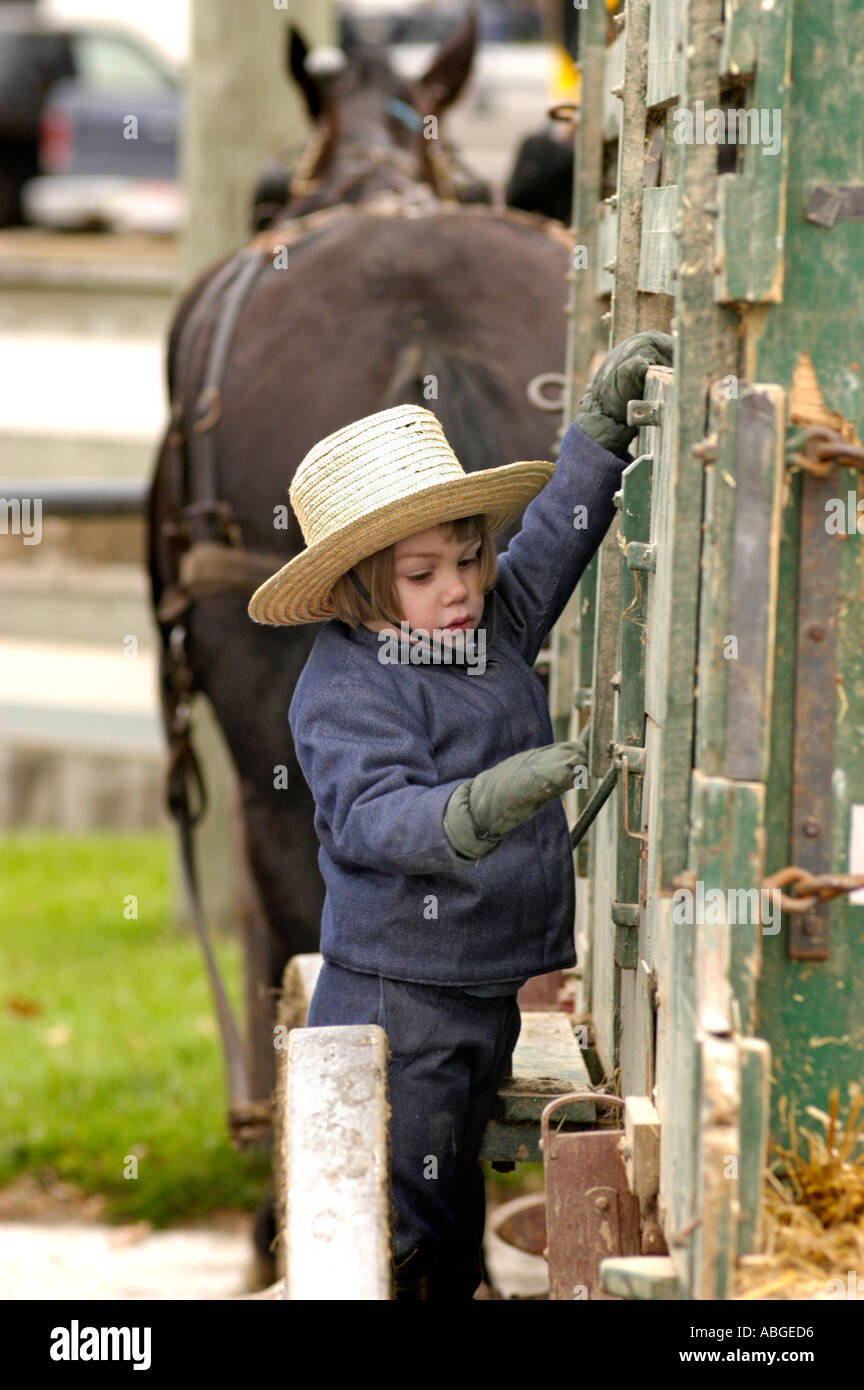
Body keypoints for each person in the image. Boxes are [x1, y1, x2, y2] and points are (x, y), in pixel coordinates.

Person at [248, 331, 674, 1300]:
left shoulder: (481, 625)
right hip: (403, 995)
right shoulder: (345, 690)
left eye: (468, 559)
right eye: (423, 573)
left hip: (479, 984)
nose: (458, 589)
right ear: (359, 588)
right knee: (412, 1217)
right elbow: (373, 819)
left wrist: (598, 440)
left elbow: (549, 548)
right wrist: (488, 800)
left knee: (452, 1187)